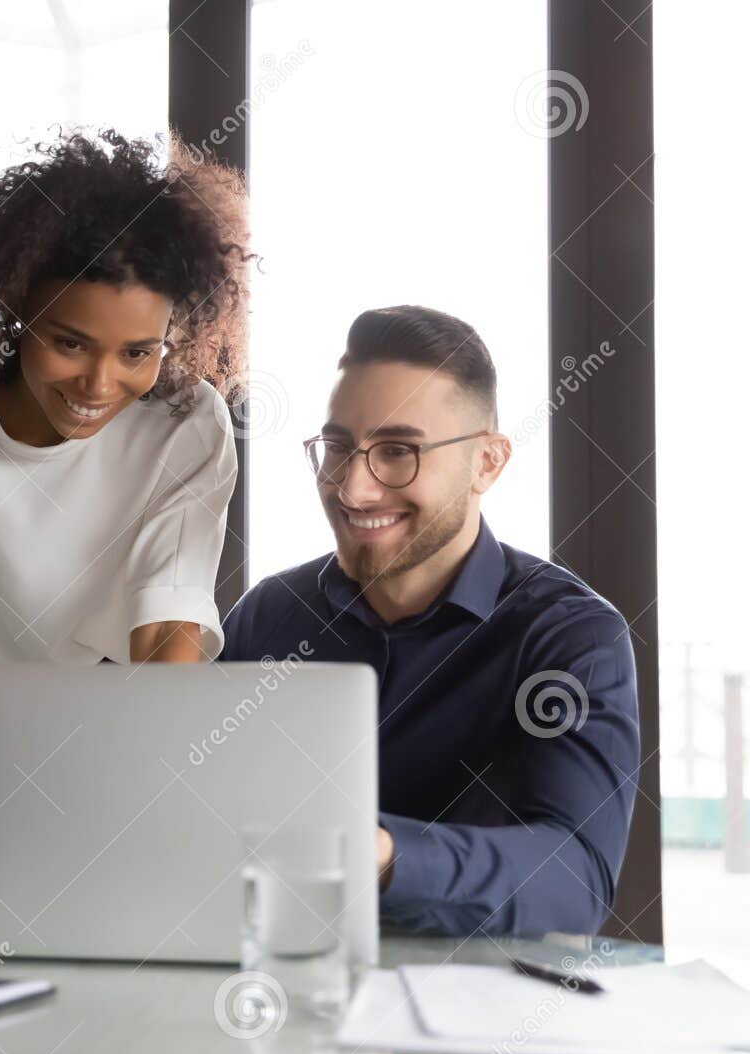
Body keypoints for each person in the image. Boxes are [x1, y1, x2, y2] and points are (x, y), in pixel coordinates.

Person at [219, 306, 640, 938]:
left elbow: (573, 880)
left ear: (487, 463)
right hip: (282, 975)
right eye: (338, 448)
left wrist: (382, 855)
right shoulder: (268, 615)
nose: (354, 489)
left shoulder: (569, 636)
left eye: (397, 452)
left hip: (478, 993)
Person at [0, 129, 254, 664]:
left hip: (97, 705)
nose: (99, 385)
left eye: (137, 353)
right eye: (70, 344)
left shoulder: (186, 420)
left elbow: (169, 625)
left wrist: (163, 718)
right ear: (18, 305)